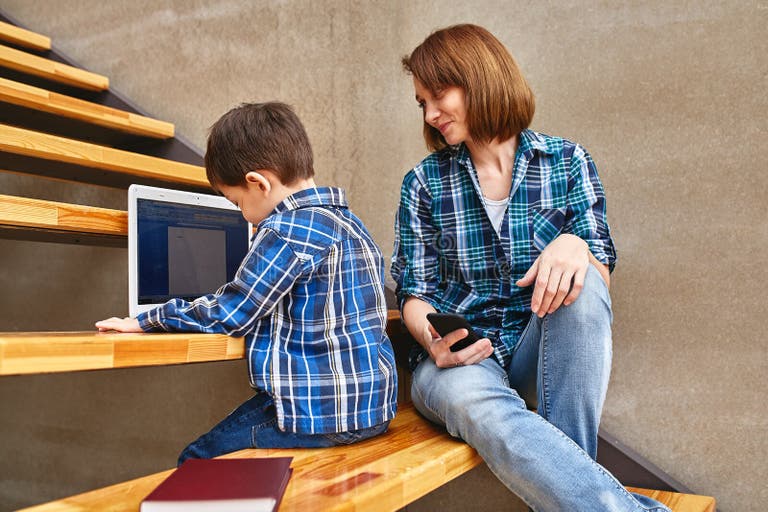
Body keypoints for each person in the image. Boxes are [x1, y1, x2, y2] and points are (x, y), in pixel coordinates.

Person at [391, 24, 669, 511]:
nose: (431, 115)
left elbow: (596, 291)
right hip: (461, 362)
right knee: (472, 401)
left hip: (538, 351)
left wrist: (575, 247)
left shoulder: (567, 162)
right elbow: (414, 293)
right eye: (422, 104)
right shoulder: (422, 183)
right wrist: (430, 339)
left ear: (479, 80)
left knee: (583, 284)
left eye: (439, 96)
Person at [97, 101, 397, 464]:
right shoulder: (352, 224)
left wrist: (147, 320)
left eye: (237, 201)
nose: (243, 215)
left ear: (258, 183)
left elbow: (233, 312)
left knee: (195, 461)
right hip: (374, 409)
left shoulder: (285, 230)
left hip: (321, 415)